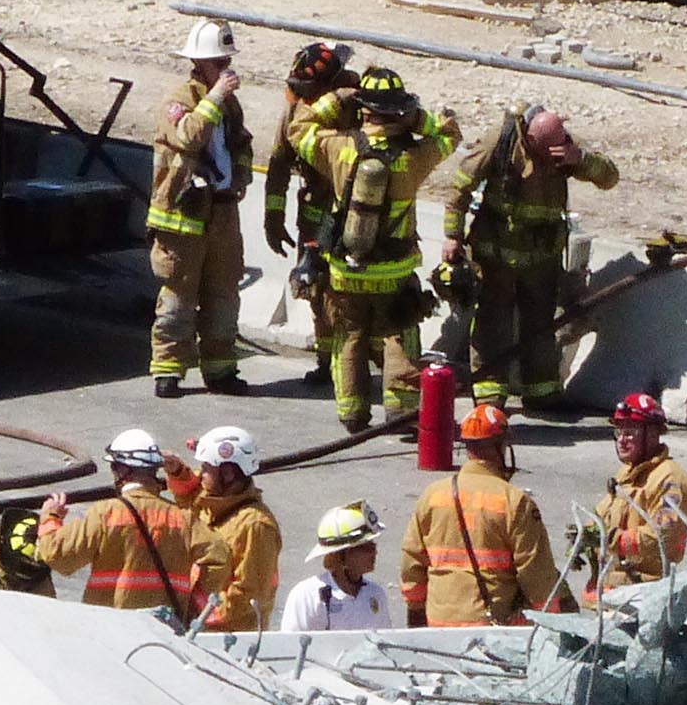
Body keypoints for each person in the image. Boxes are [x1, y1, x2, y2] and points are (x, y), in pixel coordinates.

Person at [289, 65, 457, 433]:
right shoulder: (414, 158)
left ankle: (352, 413)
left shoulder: (339, 148)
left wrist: (335, 101)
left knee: (348, 338)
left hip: (346, 271)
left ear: (364, 110)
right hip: (394, 272)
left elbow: (297, 130)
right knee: (400, 334)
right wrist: (417, 119)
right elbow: (449, 134)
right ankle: (400, 412)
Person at [421, 104, 620, 412]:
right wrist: (453, 236)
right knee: (491, 324)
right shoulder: (499, 143)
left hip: (541, 259)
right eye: (545, 149)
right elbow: (459, 187)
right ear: (529, 137)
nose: (550, 155)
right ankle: (489, 395)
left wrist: (580, 160)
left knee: (540, 326)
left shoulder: (562, 145)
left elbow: (609, 177)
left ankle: (542, 391)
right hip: (494, 256)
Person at [144, 20, 254, 400]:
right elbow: (188, 135)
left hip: (222, 212)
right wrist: (215, 98)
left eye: (226, 59)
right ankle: (168, 370)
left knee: (224, 295)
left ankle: (221, 369)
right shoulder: (179, 99)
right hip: (182, 218)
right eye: (217, 60)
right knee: (178, 298)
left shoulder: (228, 103)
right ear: (198, 61)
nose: (225, 66)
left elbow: (241, 142)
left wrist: (241, 174)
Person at [401, 402, 576, 626]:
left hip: (438, 622)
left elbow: (412, 560)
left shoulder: (433, 495)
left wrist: (416, 615)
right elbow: (536, 573)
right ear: (501, 446)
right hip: (490, 628)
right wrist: (551, 621)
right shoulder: (514, 501)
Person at [36, 429, 229, 624]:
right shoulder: (183, 519)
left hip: (110, 626)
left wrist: (50, 517)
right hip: (165, 630)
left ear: (123, 471)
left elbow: (57, 555)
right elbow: (219, 556)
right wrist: (192, 603)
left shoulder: (106, 513)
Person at [258, 39, 356, 387]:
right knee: (315, 286)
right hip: (315, 213)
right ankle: (326, 360)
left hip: (353, 213)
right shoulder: (296, 107)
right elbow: (280, 162)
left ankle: (355, 360)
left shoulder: (355, 102)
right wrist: (273, 217)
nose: (300, 96)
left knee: (351, 288)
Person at [583, 391, 687, 592]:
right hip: (612, 587)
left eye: (630, 433)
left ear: (653, 435)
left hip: (647, 591)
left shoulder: (671, 480)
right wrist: (584, 533)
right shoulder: (628, 472)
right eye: (619, 432)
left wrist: (608, 539)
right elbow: (602, 514)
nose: (621, 441)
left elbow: (659, 539)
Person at [190, 425, 281, 632]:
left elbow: (247, 595)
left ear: (228, 474)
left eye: (206, 468)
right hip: (202, 631)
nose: (200, 474)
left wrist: (195, 614)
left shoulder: (255, 526)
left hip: (231, 641)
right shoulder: (213, 509)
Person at [277, 503, 395, 632]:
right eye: (365, 547)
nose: (374, 552)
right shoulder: (307, 596)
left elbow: (384, 645)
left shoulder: (375, 595)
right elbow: (292, 647)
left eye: (373, 545)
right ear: (341, 555)